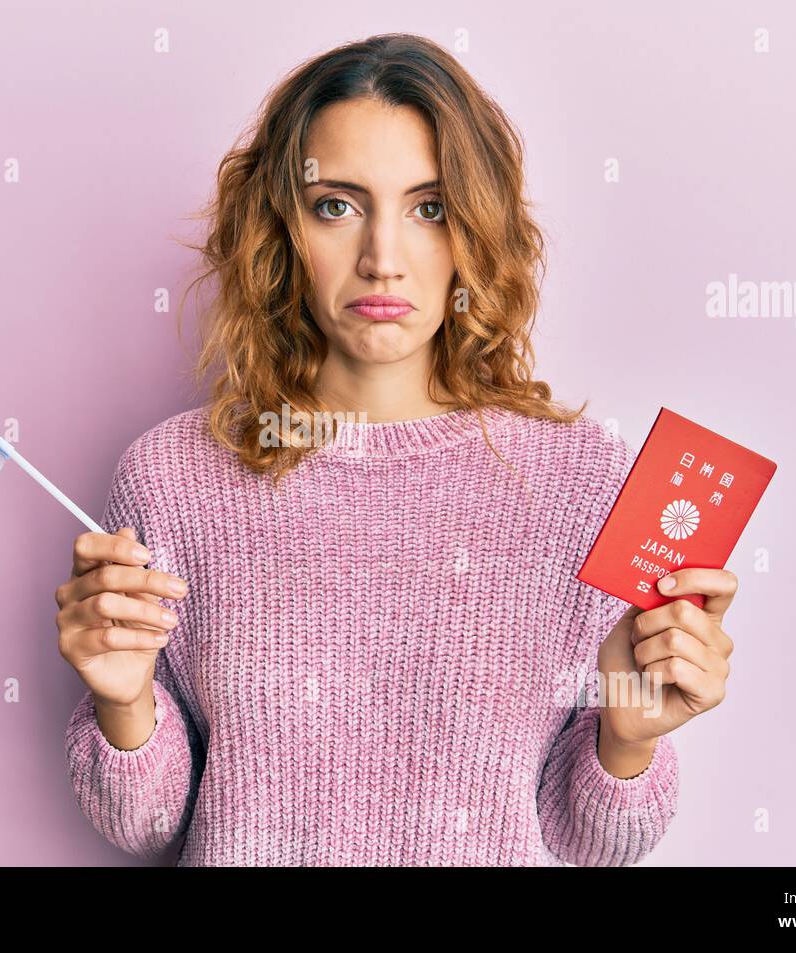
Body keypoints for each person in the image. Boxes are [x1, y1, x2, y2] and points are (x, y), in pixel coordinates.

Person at [55, 33, 736, 866]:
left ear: (473, 232)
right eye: (336, 205)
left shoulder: (584, 481)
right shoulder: (172, 479)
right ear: (281, 228)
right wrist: (123, 705)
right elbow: (146, 826)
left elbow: (591, 845)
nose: (383, 260)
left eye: (430, 207)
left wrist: (628, 734)